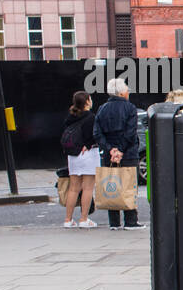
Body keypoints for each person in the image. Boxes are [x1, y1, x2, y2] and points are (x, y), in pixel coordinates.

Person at [93, 77, 145, 230]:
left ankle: (114, 222)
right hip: (128, 153)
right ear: (122, 92)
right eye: (127, 89)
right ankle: (130, 220)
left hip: (109, 155)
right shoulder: (130, 108)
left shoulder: (102, 108)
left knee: (111, 184)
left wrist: (110, 149)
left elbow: (97, 133)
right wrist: (121, 150)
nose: (128, 92)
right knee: (129, 185)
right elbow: (130, 133)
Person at [61, 92, 99, 228]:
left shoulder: (71, 116)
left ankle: (68, 220)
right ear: (87, 102)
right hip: (87, 154)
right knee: (88, 188)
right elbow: (93, 136)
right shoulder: (91, 117)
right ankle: (83, 219)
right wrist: (88, 145)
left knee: (73, 188)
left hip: (73, 155)